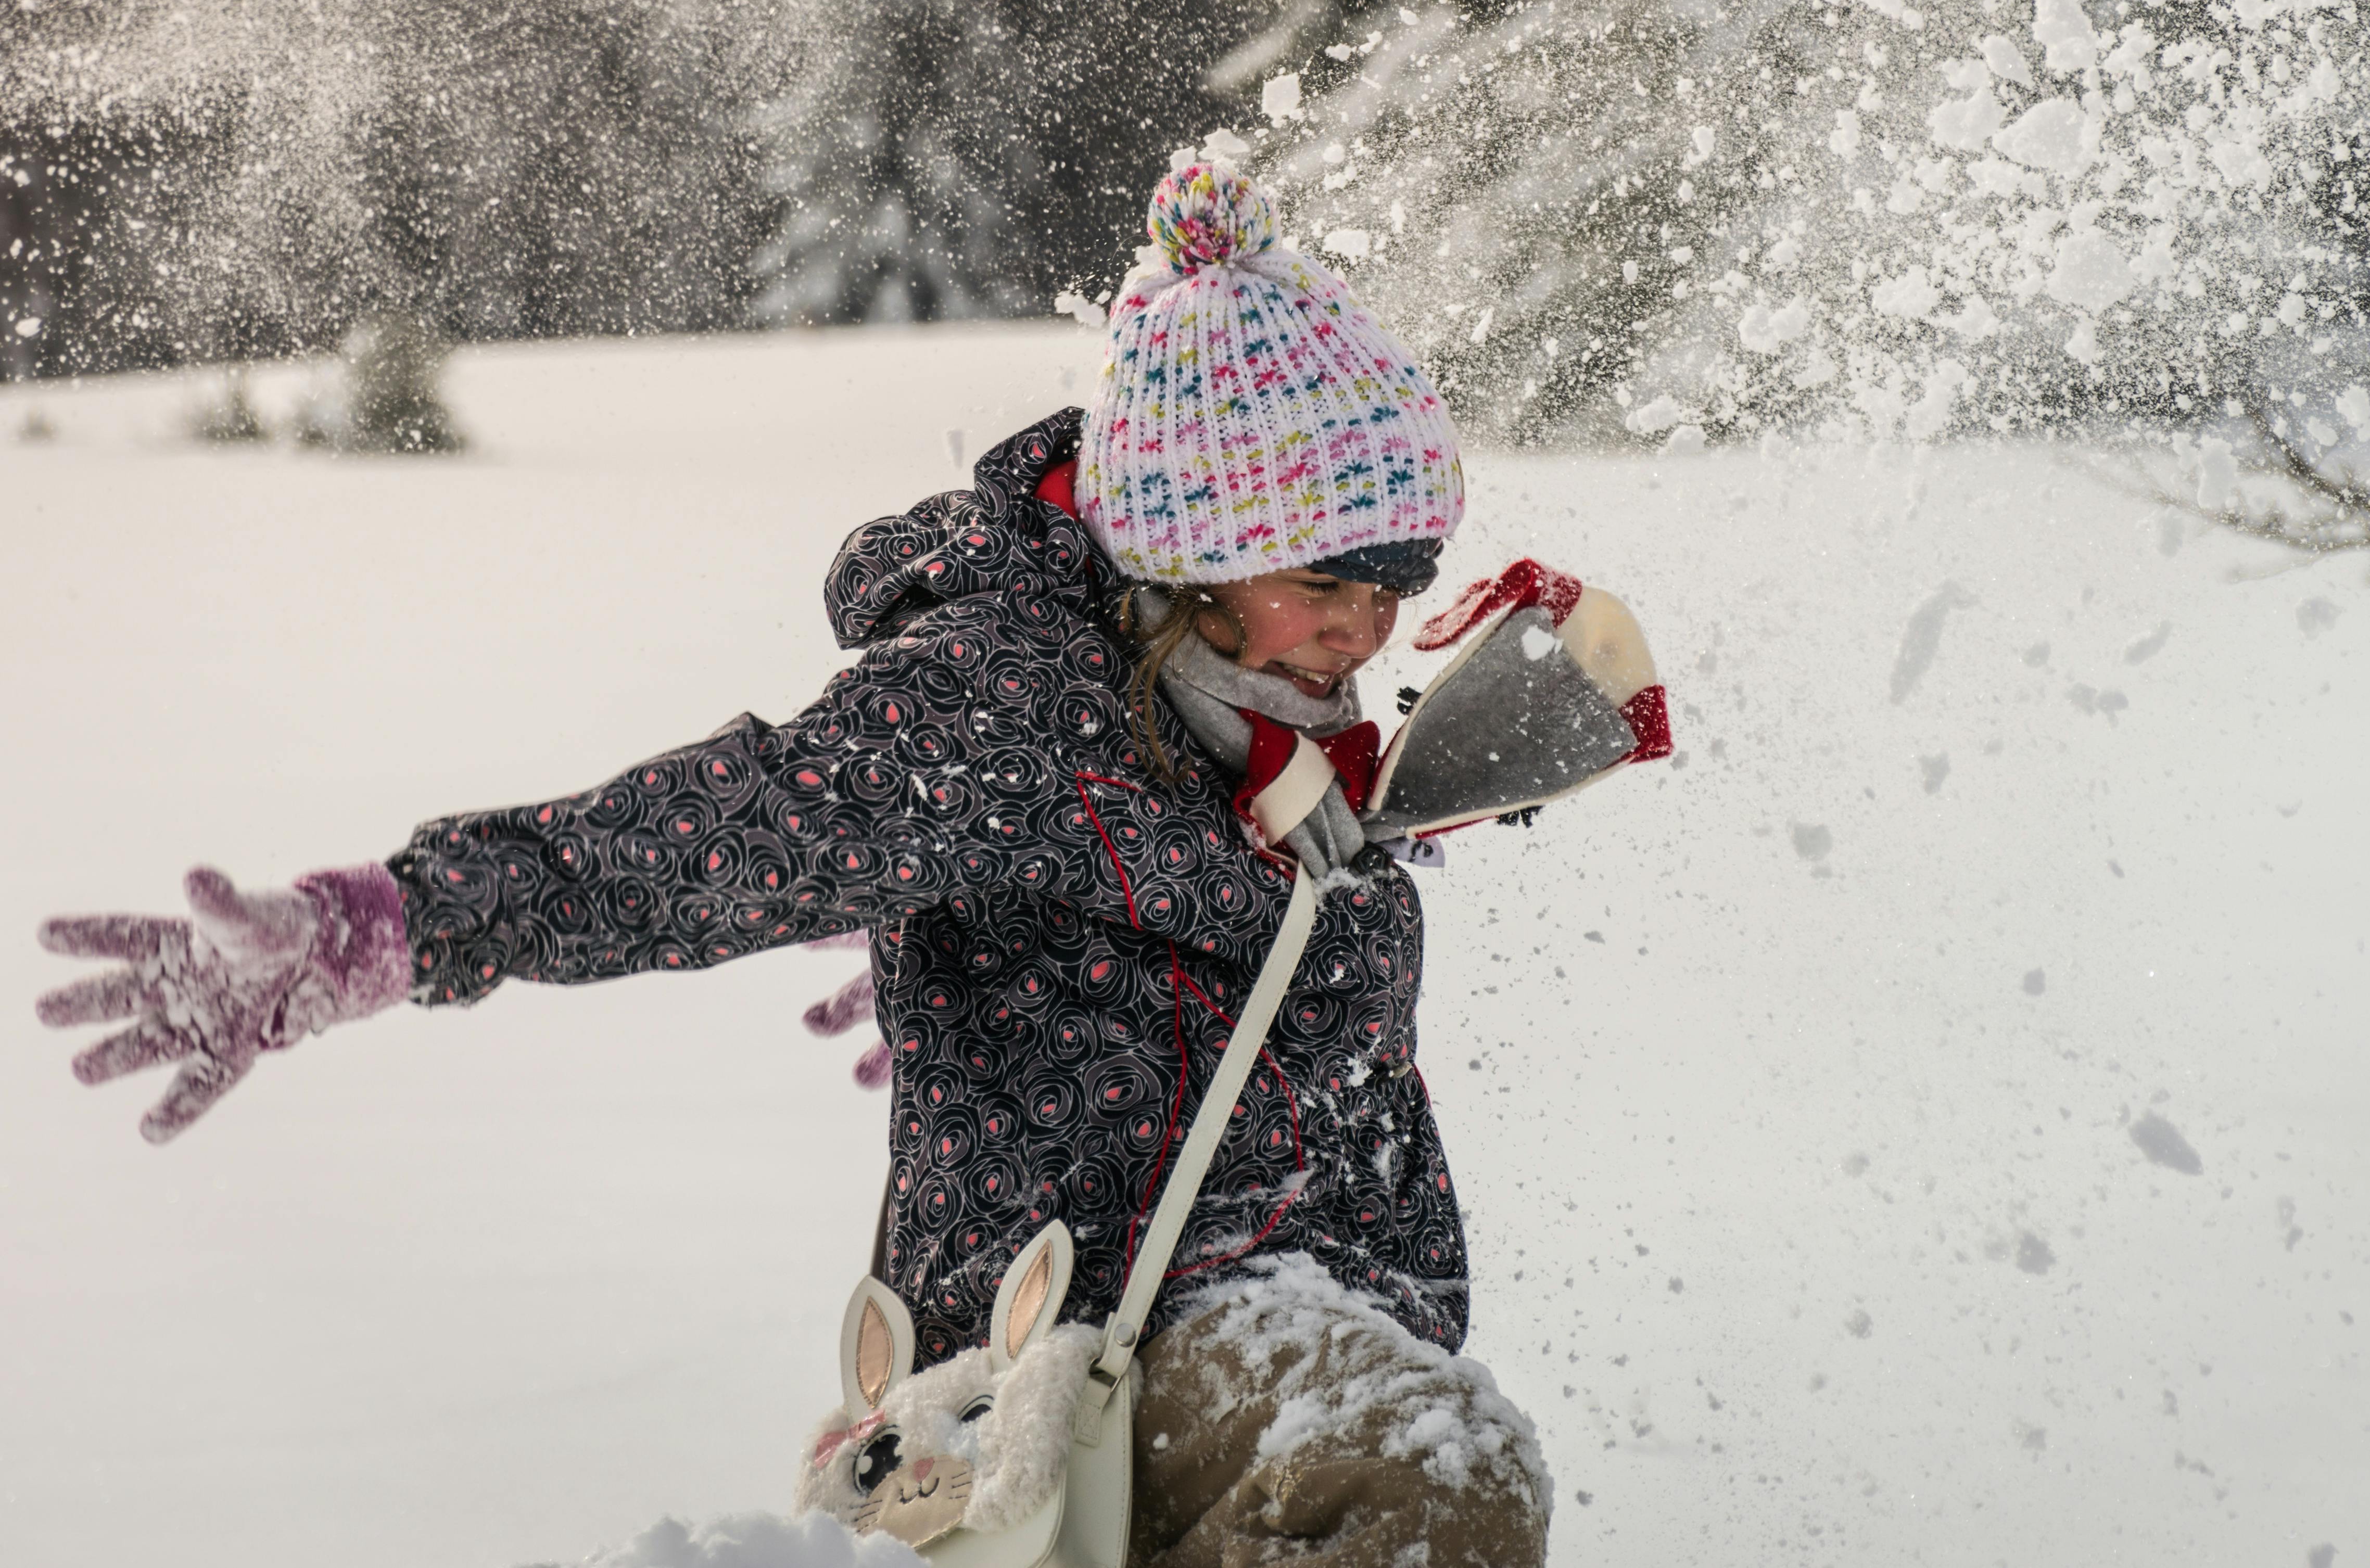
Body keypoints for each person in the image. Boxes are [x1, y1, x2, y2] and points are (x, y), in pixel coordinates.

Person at [33, 161, 1553, 1567]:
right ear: (1191, 548)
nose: (1367, 629)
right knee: (1424, 1467)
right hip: (1121, 1341)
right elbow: (722, 831)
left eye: (1396, 581)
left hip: (1302, 1318)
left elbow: (1223, 931)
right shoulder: (1008, 704)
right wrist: (397, 921)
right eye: (1327, 580)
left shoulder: (1261, 737)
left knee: (1419, 1458)